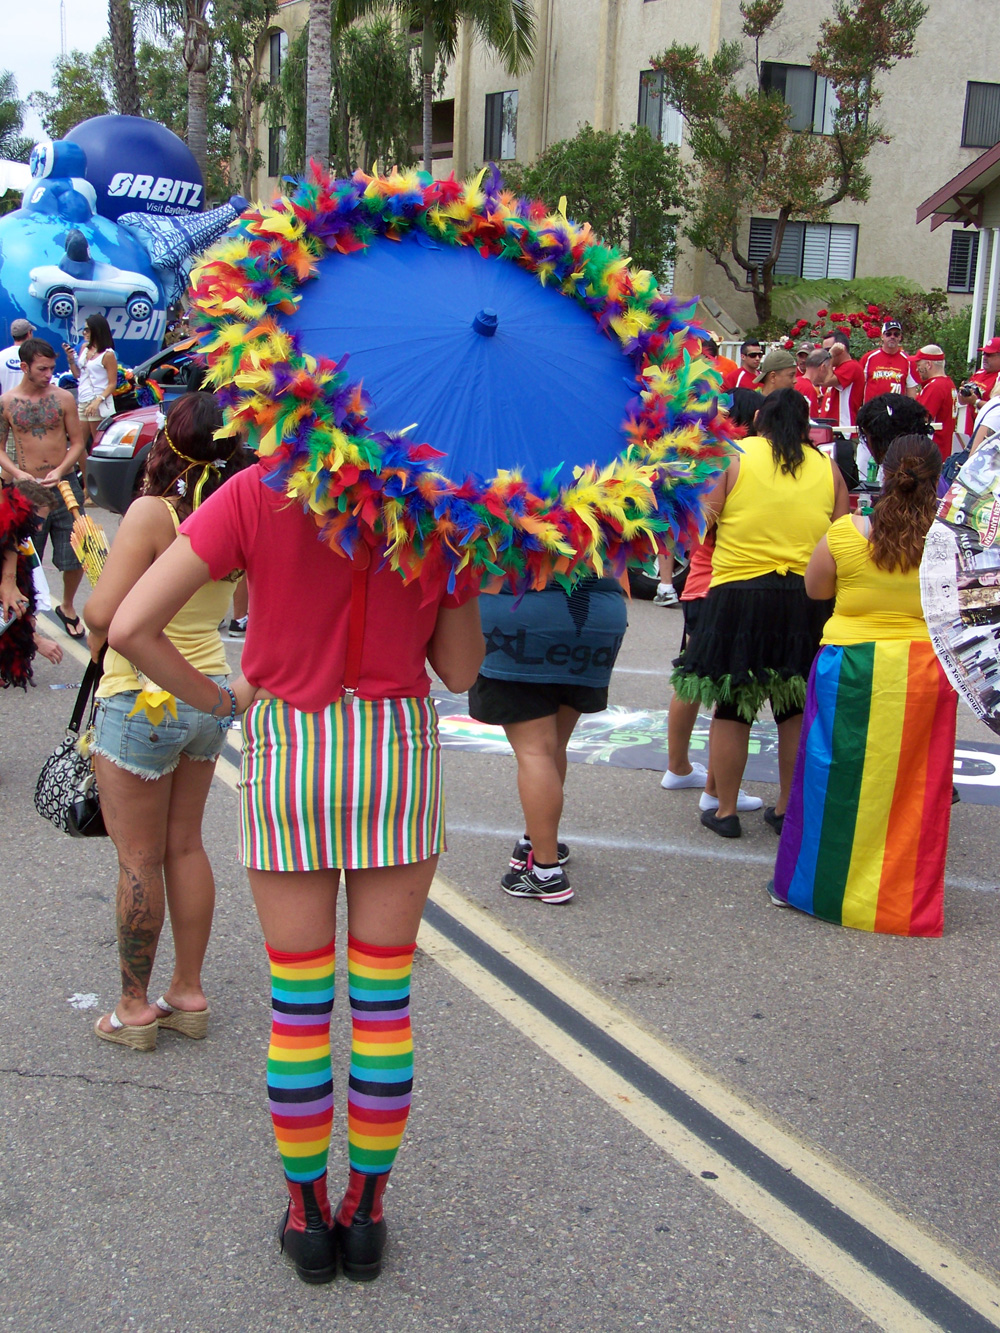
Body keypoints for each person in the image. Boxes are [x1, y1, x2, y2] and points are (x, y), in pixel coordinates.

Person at [104, 441, 484, 1285]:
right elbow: (459, 667)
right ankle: (368, 1212)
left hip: (291, 748)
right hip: (396, 752)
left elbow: (127, 624)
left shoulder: (257, 488)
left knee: (301, 1003)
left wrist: (222, 698)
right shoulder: (439, 504)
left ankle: (308, 1218)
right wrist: (458, 555)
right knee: (384, 999)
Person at [83, 392, 248, 1055]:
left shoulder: (153, 512)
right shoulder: (236, 514)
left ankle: (133, 1005)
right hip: (205, 693)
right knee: (186, 845)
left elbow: (102, 614)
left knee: (138, 857)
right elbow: (235, 603)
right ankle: (187, 991)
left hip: (141, 698)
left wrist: (98, 560)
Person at [770, 435, 957, 935]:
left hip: (850, 665)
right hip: (923, 670)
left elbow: (816, 589)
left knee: (830, 779)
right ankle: (897, 899)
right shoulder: (949, 541)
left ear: (885, 472)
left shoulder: (845, 533)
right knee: (914, 788)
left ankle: (816, 886)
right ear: (937, 479)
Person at [671, 389, 848, 838]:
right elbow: (841, 539)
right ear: (807, 426)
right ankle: (787, 807)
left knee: (733, 704)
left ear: (758, 421)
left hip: (739, 592)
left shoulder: (733, 457)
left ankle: (725, 810)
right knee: (792, 706)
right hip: (804, 597)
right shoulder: (829, 470)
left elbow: (701, 522)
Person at [467, 574, 627, 903]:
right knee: (551, 745)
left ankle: (545, 872)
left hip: (522, 614)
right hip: (598, 615)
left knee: (536, 751)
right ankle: (538, 840)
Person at [0, 338, 88, 639]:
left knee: (76, 552)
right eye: (42, 368)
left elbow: (77, 442)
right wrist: (16, 474)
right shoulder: (7, 402)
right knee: (25, 558)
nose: (49, 373)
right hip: (27, 491)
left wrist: (62, 469)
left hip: (63, 484)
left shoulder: (63, 398)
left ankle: (67, 605)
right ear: (24, 367)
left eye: (52, 368)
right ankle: (28, 617)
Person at [63, 313, 118, 447]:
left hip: (98, 401)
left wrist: (97, 401)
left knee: (97, 443)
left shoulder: (108, 354)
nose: (84, 333)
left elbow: (112, 384)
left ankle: (93, 468)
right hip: (83, 399)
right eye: (84, 329)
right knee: (78, 443)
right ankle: (83, 468)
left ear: (96, 331)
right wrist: (71, 360)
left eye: (87, 330)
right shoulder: (84, 348)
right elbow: (78, 375)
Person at [915, 344, 956, 460]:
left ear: (929, 364)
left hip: (932, 451)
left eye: (919, 365)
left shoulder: (935, 386)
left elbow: (920, 419)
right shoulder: (948, 383)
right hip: (942, 449)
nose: (917, 369)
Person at [860, 320, 919, 401]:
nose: (892, 337)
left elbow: (911, 392)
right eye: (888, 334)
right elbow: (858, 385)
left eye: (896, 334)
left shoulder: (908, 361)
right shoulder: (869, 358)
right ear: (882, 336)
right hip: (872, 411)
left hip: (897, 411)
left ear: (900, 337)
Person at [956, 336, 1000, 442]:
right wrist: (963, 394)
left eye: (989, 355)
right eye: (984, 354)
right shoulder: (980, 373)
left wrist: (976, 402)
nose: (985, 357)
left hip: (987, 437)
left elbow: (996, 410)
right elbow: (963, 401)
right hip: (969, 431)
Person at [0, 318, 33, 397]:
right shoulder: (36, 356)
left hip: (6, 406)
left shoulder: (1, 356)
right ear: (29, 333)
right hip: (31, 406)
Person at [795, 349, 831, 417]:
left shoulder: (796, 381)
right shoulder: (809, 389)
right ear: (823, 367)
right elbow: (812, 423)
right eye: (829, 368)